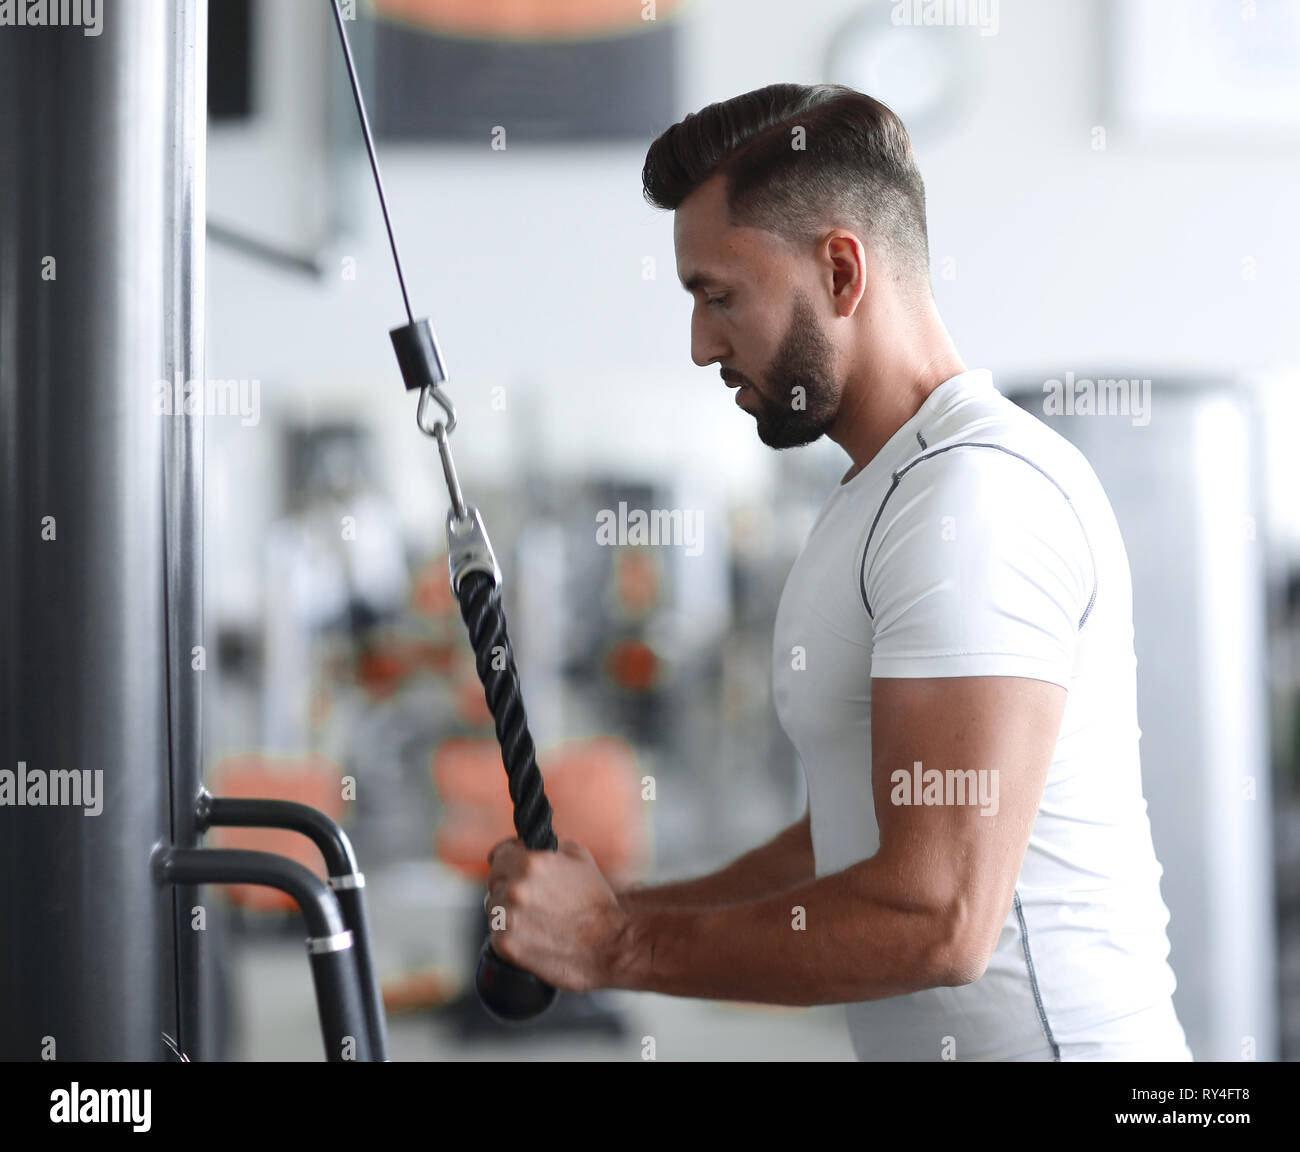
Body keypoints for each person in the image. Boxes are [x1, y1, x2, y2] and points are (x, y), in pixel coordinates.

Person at [486, 83, 1191, 1061]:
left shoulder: (971, 498)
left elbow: (935, 920)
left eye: (718, 296)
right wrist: (610, 911)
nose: (699, 345)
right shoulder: (884, 490)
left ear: (841, 269)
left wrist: (615, 945)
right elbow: (846, 840)